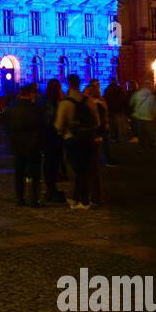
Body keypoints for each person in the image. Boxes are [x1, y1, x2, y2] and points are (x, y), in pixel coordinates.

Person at [55, 74, 96, 210]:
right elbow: (97, 122)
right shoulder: (89, 101)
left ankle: (80, 199)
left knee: (76, 171)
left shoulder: (65, 103)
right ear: (79, 84)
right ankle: (82, 199)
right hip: (87, 139)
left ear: (68, 84)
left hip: (71, 139)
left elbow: (59, 126)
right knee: (84, 169)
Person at [1, 83, 44, 206]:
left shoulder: (12, 108)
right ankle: (34, 199)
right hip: (33, 145)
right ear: (31, 94)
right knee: (34, 173)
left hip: (17, 145)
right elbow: (42, 127)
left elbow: (5, 124)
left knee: (19, 172)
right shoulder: (36, 108)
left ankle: (20, 198)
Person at [42, 78, 66, 202]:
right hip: (53, 136)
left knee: (50, 163)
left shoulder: (46, 100)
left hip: (48, 137)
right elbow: (51, 120)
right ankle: (51, 190)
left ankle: (51, 189)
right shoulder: (53, 102)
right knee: (52, 163)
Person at [128, 81, 156, 152]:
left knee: (141, 134)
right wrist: (155, 116)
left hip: (139, 117)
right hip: (149, 118)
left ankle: (142, 148)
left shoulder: (137, 94)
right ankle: (151, 148)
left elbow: (131, 103)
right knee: (150, 134)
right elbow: (154, 108)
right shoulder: (152, 96)